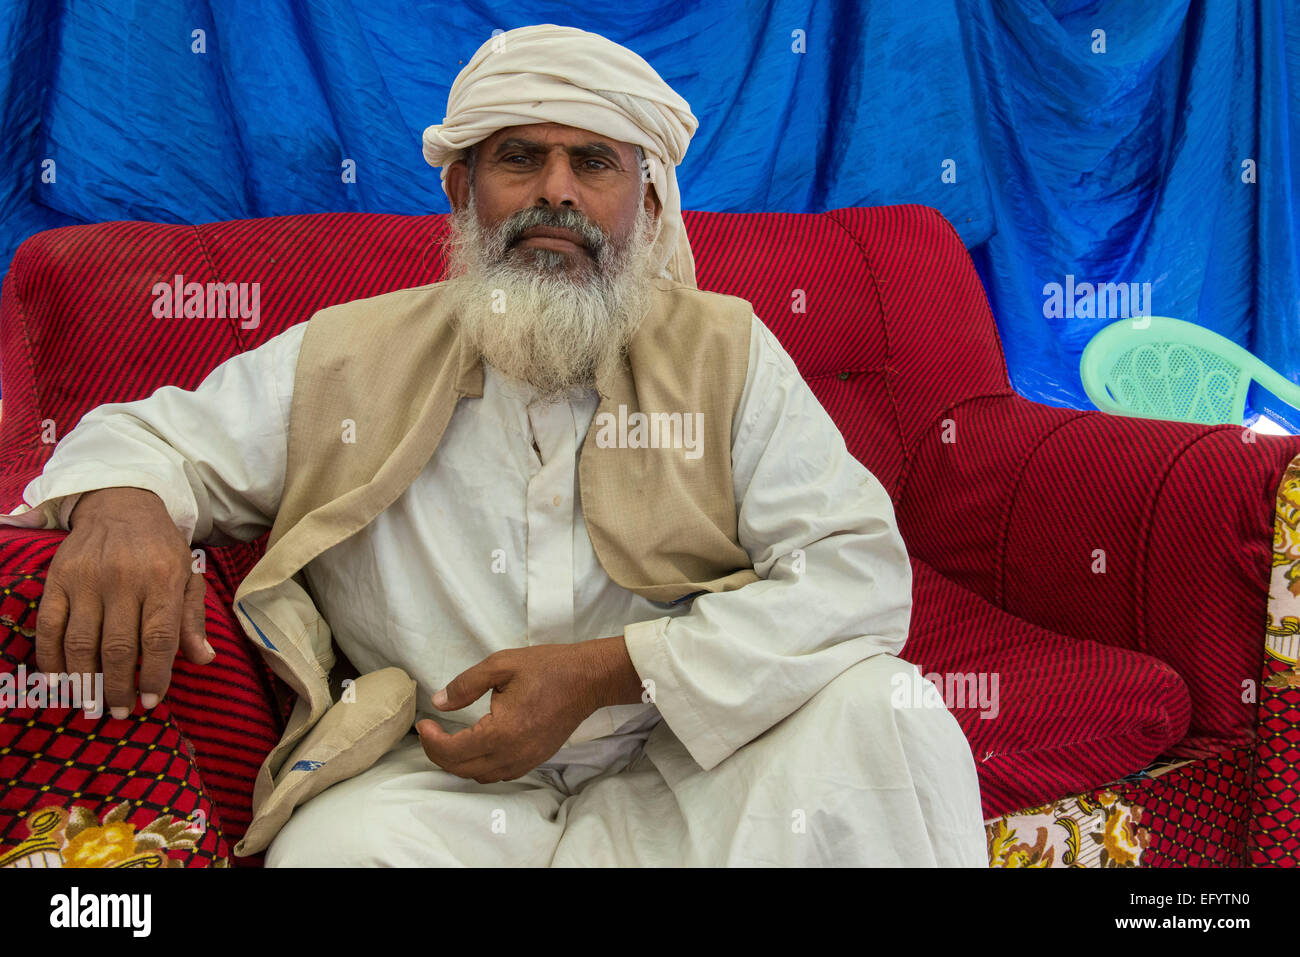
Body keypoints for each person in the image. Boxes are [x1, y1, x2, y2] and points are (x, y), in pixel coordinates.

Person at [0, 23, 988, 866]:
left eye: (592, 162)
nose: (552, 194)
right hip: (438, 786)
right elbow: (147, 437)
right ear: (463, 194)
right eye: (519, 159)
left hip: (683, 763)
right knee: (334, 857)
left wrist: (613, 671)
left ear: (644, 207)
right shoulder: (352, 352)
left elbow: (853, 570)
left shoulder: (722, 353)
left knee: (882, 714)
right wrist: (124, 505)